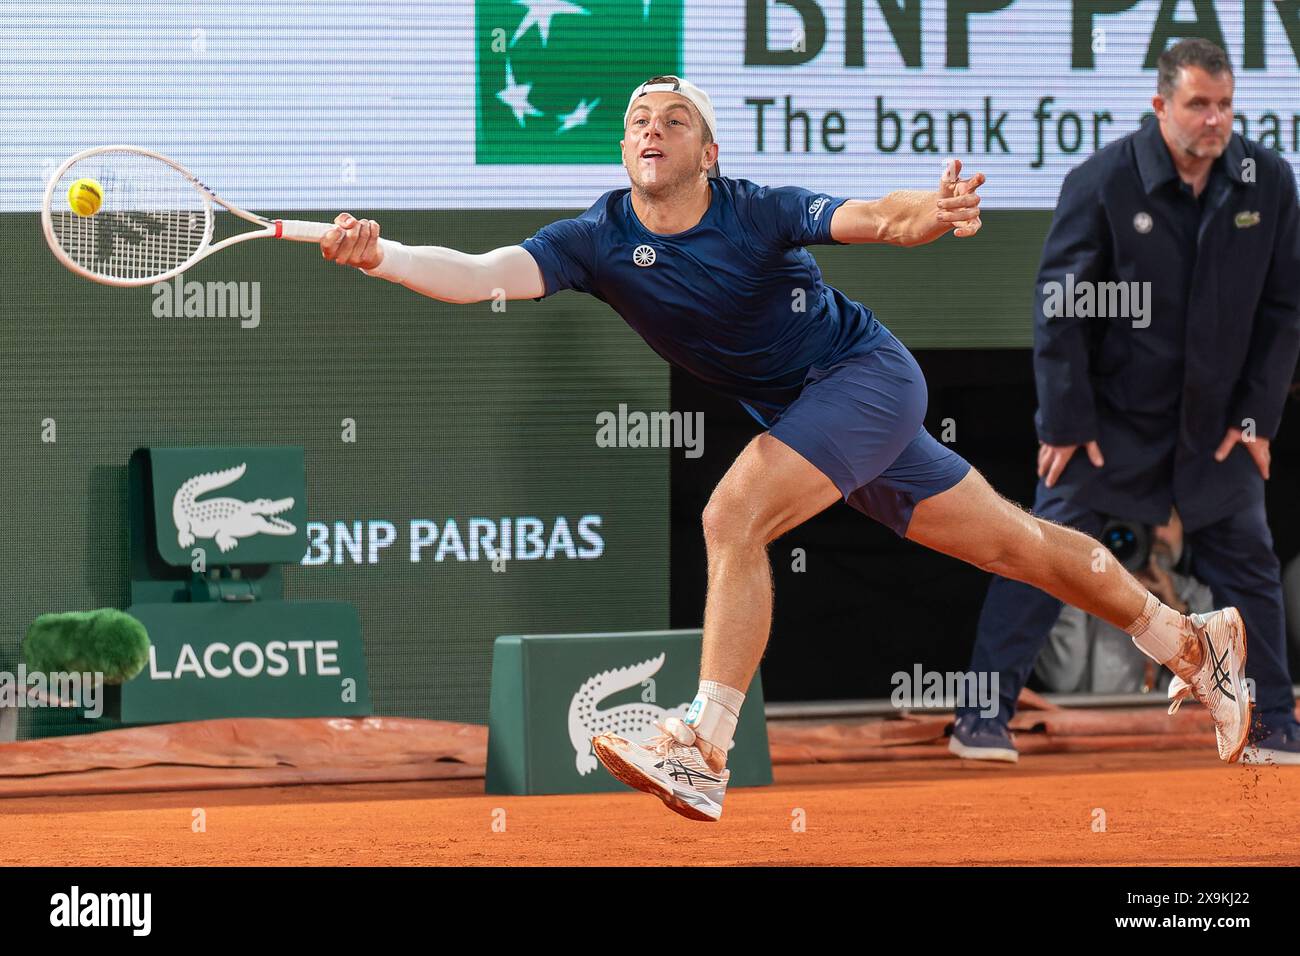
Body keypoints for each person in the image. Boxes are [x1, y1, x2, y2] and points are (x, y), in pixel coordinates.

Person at [319, 74, 1251, 821]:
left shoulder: (755, 209)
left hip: (866, 381)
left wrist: (925, 214)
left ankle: (703, 747)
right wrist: (380, 255)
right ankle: (1189, 640)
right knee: (1019, 545)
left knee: (732, 514)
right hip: (816, 416)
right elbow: (480, 275)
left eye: (675, 119)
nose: (652, 130)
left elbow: (874, 218)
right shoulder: (594, 238)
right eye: (639, 120)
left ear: (707, 152)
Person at [951, 39, 1300, 767]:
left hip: (1213, 427)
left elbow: (1282, 310)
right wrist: (1068, 421)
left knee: (1251, 563)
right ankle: (981, 719)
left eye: (1226, 105)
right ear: (1161, 106)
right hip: (1108, 423)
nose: (1215, 120)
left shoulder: (1267, 181)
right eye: (1199, 105)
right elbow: (1061, 305)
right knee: (1042, 555)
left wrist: (1257, 417)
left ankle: (1273, 727)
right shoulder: (1104, 179)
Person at [1035, 512, 1211, 695]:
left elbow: (1211, 683)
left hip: (1170, 721)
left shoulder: (1198, 597)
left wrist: (1175, 610)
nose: (1156, 533)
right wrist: (1078, 581)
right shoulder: (1084, 584)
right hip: (1095, 719)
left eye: (1167, 518)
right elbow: (1060, 679)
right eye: (1146, 523)